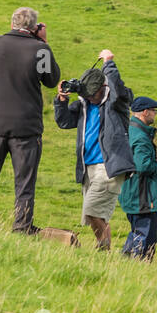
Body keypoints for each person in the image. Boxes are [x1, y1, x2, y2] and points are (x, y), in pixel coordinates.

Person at [0, 7, 61, 233]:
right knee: (24, 182)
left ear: (12, 24)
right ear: (35, 27)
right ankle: (21, 226)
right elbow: (50, 80)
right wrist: (45, 43)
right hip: (25, 127)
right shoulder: (39, 50)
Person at [54, 51, 136, 250]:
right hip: (88, 166)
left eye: (93, 94)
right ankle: (104, 253)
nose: (90, 98)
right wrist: (62, 101)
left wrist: (109, 63)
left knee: (91, 210)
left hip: (109, 165)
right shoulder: (83, 104)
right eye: (86, 95)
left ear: (103, 87)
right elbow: (64, 122)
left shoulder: (116, 103)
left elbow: (117, 90)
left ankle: (102, 247)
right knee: (96, 216)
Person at [118, 96, 157, 260]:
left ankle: (124, 261)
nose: (155, 114)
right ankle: (139, 265)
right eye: (154, 111)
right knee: (145, 236)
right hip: (142, 194)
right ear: (145, 112)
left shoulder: (130, 129)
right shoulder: (141, 137)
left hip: (130, 190)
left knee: (136, 232)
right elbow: (142, 166)